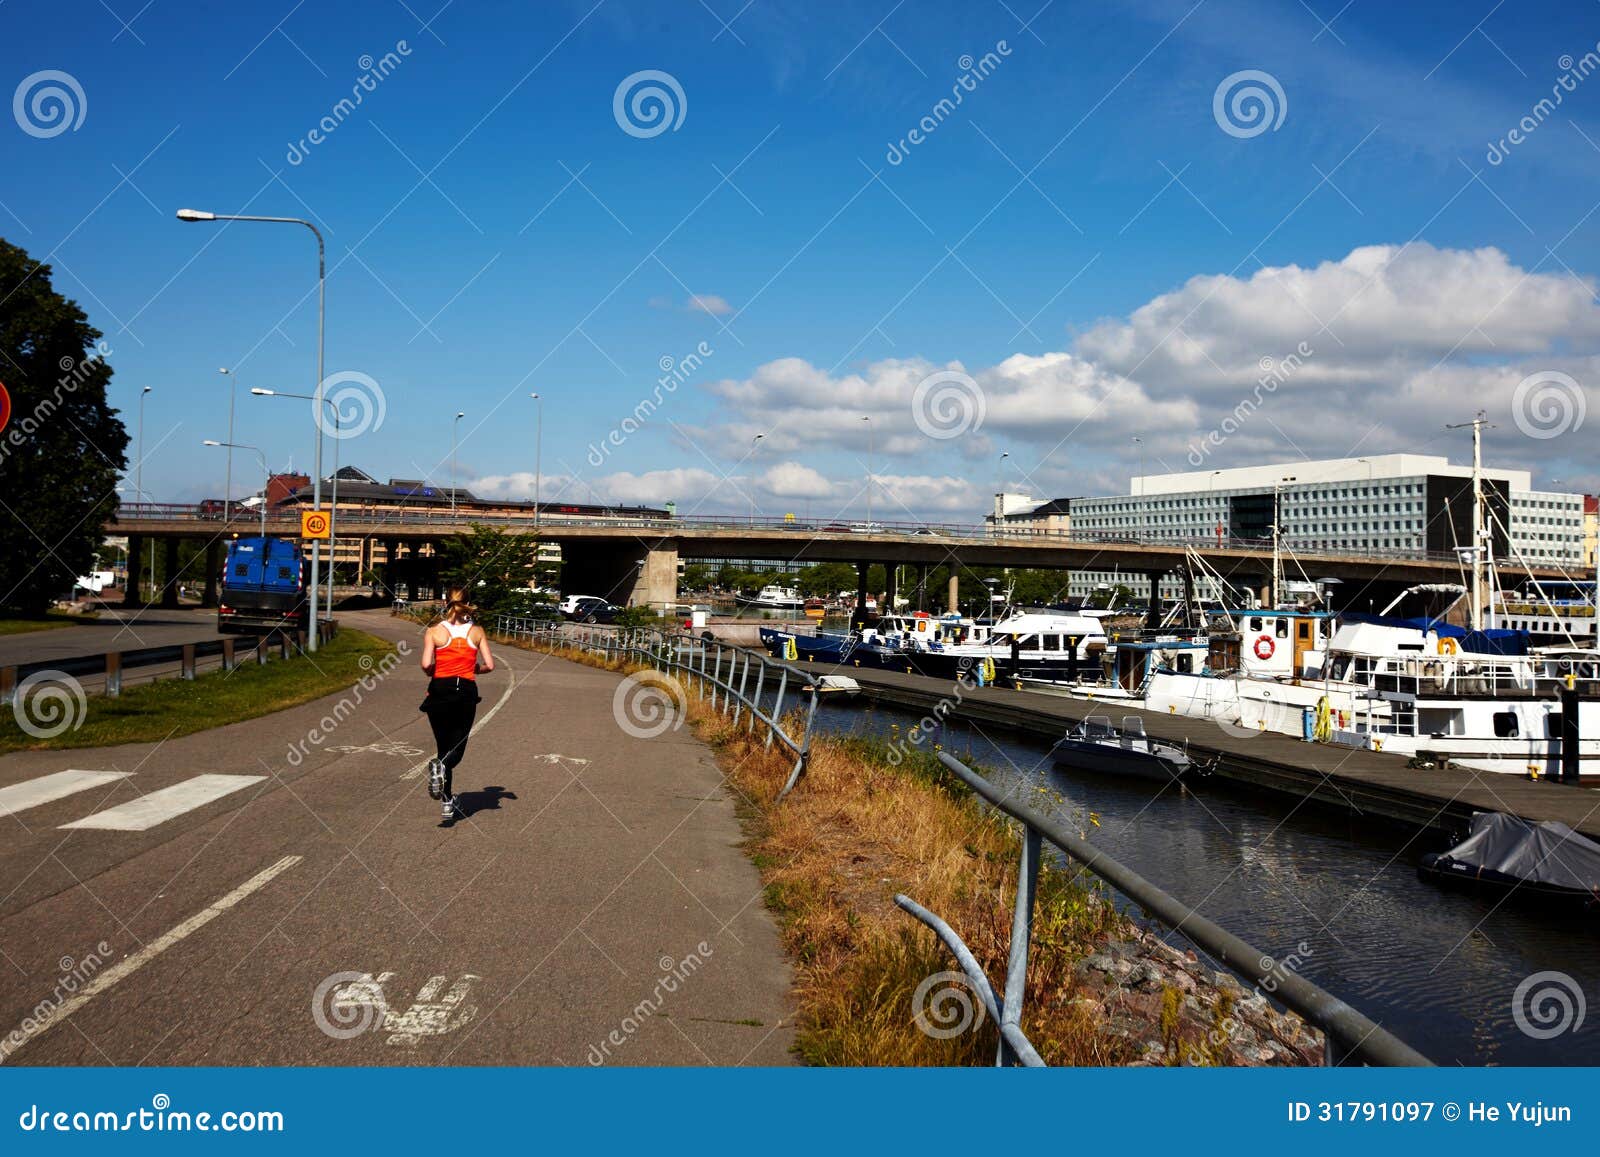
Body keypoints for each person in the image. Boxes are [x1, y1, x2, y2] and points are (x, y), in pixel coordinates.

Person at [419, 587, 494, 823]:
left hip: (439, 690)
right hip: (465, 692)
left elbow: (425, 664)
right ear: (468, 603)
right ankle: (441, 773)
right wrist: (475, 669)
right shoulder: (477, 632)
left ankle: (447, 802)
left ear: (445, 602)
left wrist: (435, 670)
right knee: (456, 748)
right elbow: (489, 665)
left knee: (442, 747)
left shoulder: (434, 632)